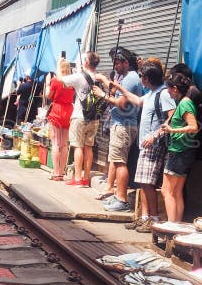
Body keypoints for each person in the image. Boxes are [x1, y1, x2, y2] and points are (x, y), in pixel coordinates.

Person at [110, 61, 175, 231]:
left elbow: (172, 117)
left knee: (148, 183)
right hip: (145, 145)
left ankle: (153, 218)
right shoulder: (152, 93)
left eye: (142, 77)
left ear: (147, 78)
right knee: (143, 183)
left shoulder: (164, 94)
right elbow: (137, 100)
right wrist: (120, 88)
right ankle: (144, 217)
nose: (141, 80)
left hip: (153, 145)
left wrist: (155, 135)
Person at [93, 53, 143, 212]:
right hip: (122, 124)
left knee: (121, 162)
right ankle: (116, 195)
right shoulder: (130, 77)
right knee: (116, 160)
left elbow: (121, 103)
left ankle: (122, 199)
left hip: (123, 125)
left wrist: (102, 95)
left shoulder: (130, 79)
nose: (115, 66)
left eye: (117, 63)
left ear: (126, 63)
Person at [160, 73, 202, 223]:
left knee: (167, 191)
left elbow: (193, 127)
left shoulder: (185, 103)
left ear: (175, 88)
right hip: (183, 152)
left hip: (179, 152)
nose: (168, 92)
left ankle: (171, 226)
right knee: (176, 191)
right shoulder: (185, 102)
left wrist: (172, 130)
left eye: (169, 89)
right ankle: (176, 225)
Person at [60, 51, 101, 187]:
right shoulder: (99, 77)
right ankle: (86, 178)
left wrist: (60, 64)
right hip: (94, 118)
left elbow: (62, 80)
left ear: (87, 63)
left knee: (78, 146)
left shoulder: (79, 76)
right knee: (88, 147)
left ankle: (77, 178)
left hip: (79, 116)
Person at [45, 58, 75, 181]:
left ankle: (56, 172)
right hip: (68, 111)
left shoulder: (55, 81)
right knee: (64, 144)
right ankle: (61, 172)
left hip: (57, 110)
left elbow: (48, 95)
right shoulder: (72, 82)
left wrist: (47, 83)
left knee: (56, 143)